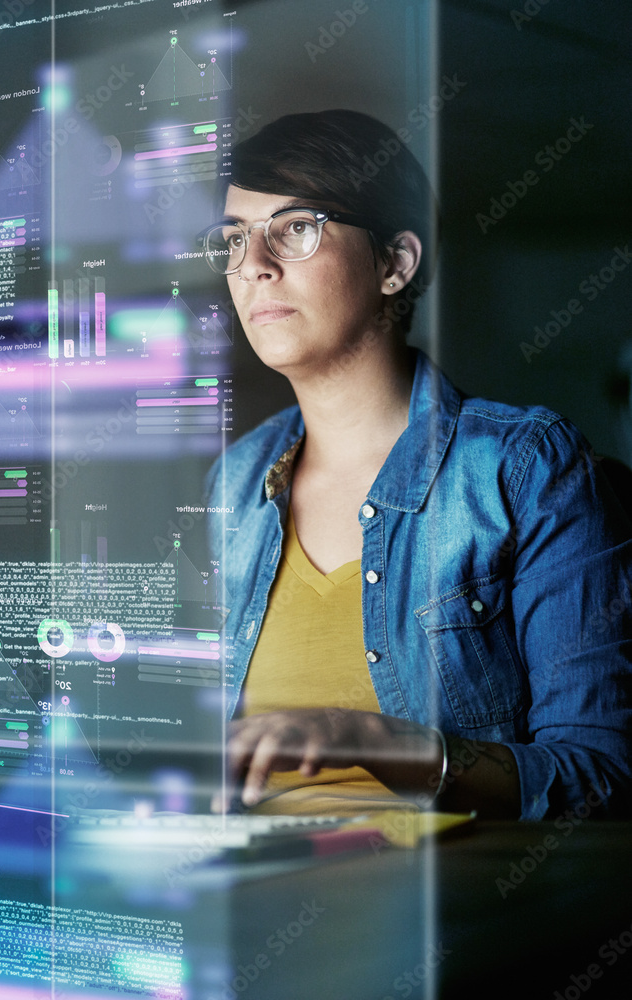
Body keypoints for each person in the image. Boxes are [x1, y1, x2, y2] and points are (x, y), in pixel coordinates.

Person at [201, 109, 632, 820]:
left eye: (295, 228)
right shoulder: (236, 482)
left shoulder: (523, 470)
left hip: (453, 924)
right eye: (233, 239)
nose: (253, 265)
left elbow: (599, 775)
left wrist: (383, 745)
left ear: (395, 263)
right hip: (254, 914)